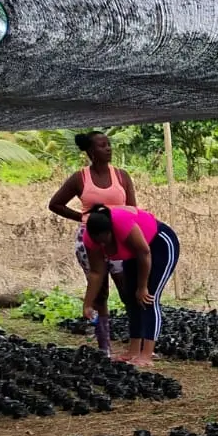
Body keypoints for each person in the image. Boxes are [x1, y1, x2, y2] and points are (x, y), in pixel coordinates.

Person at [48, 131, 138, 357]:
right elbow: (56, 204)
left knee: (127, 290)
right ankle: (104, 346)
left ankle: (137, 342)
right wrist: (83, 217)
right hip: (91, 239)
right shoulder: (80, 178)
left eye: (108, 144)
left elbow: (132, 209)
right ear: (90, 151)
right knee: (99, 293)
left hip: (119, 238)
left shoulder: (121, 176)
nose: (108, 148)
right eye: (101, 145)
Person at [81, 204, 179, 366]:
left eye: (105, 241)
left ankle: (146, 355)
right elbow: (96, 273)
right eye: (98, 242)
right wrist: (88, 304)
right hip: (135, 253)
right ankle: (133, 350)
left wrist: (142, 287)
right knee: (131, 298)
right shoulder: (90, 240)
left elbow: (144, 252)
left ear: (111, 232)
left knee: (148, 298)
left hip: (159, 244)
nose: (102, 245)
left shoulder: (121, 223)